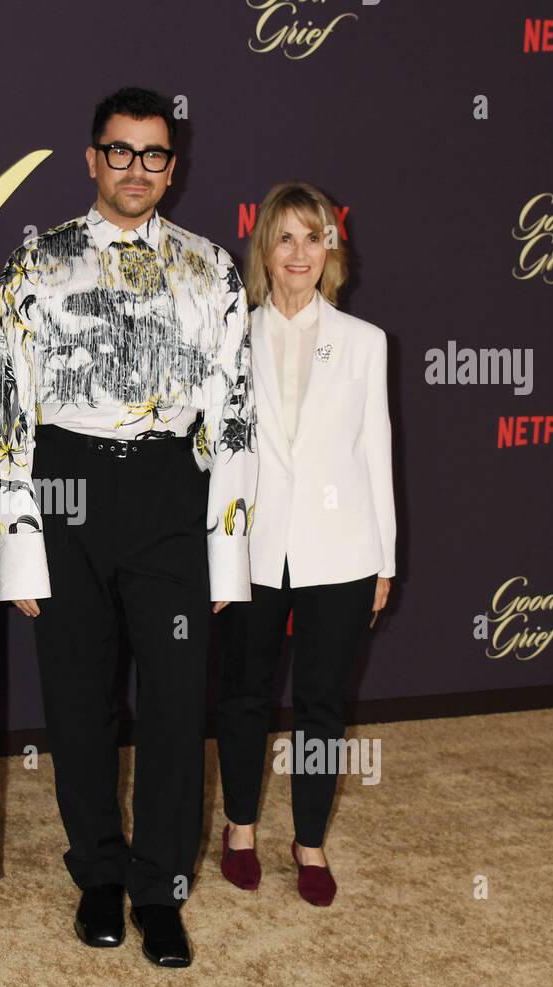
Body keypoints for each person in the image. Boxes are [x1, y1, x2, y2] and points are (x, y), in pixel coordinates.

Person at [0, 87, 257, 968]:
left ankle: (161, 888)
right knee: (78, 699)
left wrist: (228, 555)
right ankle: (98, 873)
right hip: (68, 491)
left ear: (172, 168)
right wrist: (18, 549)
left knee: (179, 704)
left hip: (173, 495)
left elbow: (236, 414)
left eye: (154, 154)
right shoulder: (36, 264)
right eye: (120, 150)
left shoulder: (211, 268)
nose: (136, 168)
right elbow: (7, 411)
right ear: (91, 158)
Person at [214, 180, 395, 907]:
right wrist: (217, 549)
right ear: (265, 246)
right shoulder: (232, 335)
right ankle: (239, 828)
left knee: (322, 702)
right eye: (284, 236)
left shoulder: (364, 342)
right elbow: (218, 451)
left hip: (341, 550)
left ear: (331, 249)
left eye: (312, 236)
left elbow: (375, 450)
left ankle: (310, 840)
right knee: (243, 696)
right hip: (252, 547)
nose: (298, 252)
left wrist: (386, 558)